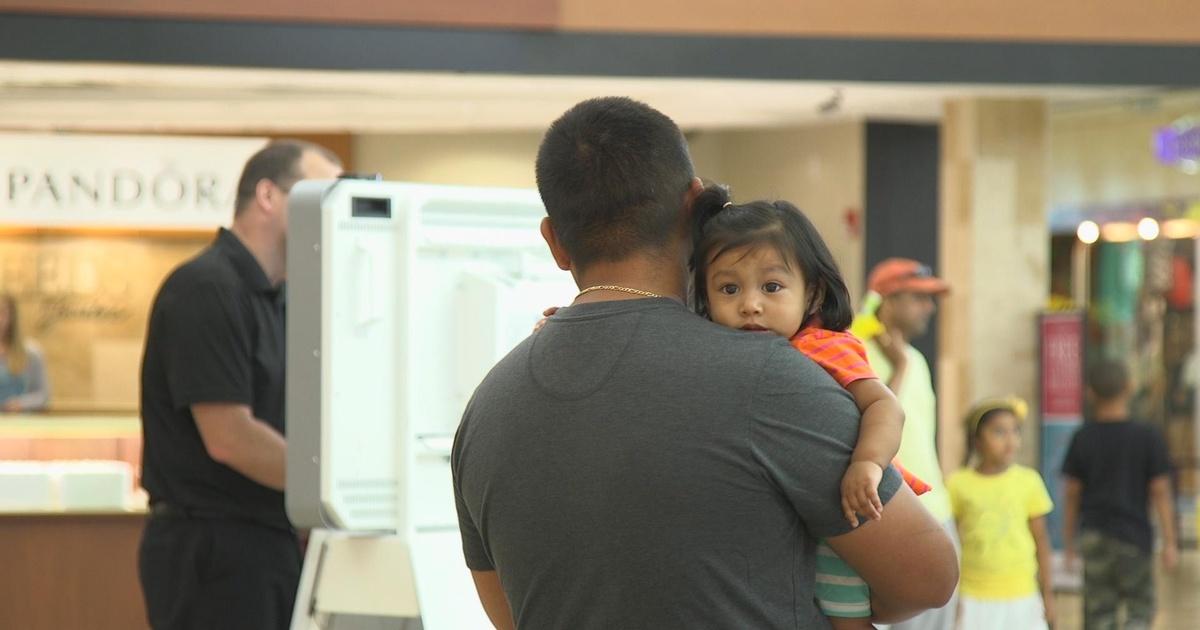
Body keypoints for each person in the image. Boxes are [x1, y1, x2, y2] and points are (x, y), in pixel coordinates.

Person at [452, 96, 958, 630]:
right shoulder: (771, 375)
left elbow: (507, 614)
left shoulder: (487, 409)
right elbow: (927, 577)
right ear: (696, 207)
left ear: (554, 241)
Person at [687, 185, 935, 628]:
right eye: (728, 288)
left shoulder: (820, 346)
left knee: (844, 610)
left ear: (814, 293)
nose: (750, 304)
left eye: (772, 286)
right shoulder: (712, 348)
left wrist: (867, 463)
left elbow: (885, 405)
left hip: (843, 513)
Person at [137, 140, 342, 630]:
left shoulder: (281, 299)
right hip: (211, 551)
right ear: (268, 196)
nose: (333, 214)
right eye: (320, 196)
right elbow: (229, 437)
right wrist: (333, 487)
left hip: (264, 541)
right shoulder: (205, 287)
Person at [861, 258, 958, 630]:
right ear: (887, 300)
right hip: (894, 514)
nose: (929, 308)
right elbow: (874, 429)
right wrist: (897, 368)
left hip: (937, 511)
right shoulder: (852, 350)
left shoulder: (916, 359)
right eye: (919, 298)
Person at [1062, 359, 1177, 630]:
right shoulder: (1147, 436)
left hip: (1094, 535)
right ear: (1129, 388)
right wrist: (1170, 541)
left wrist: (1069, 543)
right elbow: (1160, 492)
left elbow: (1072, 495)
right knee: (1139, 610)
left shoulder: (1083, 436)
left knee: (1099, 612)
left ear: (1090, 393)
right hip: (1134, 536)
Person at [947, 397, 1054, 630]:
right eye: (998, 432)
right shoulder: (958, 484)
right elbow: (951, 545)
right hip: (974, 596)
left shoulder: (1029, 481)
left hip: (1022, 594)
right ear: (977, 440)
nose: (1010, 440)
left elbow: (1041, 542)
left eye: (1015, 431)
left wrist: (1048, 595)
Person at [0, 293, 49, 412]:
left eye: (2, 312)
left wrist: (22, 403)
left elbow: (43, 395)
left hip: (21, 424)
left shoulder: (31, 352)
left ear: (12, 316)